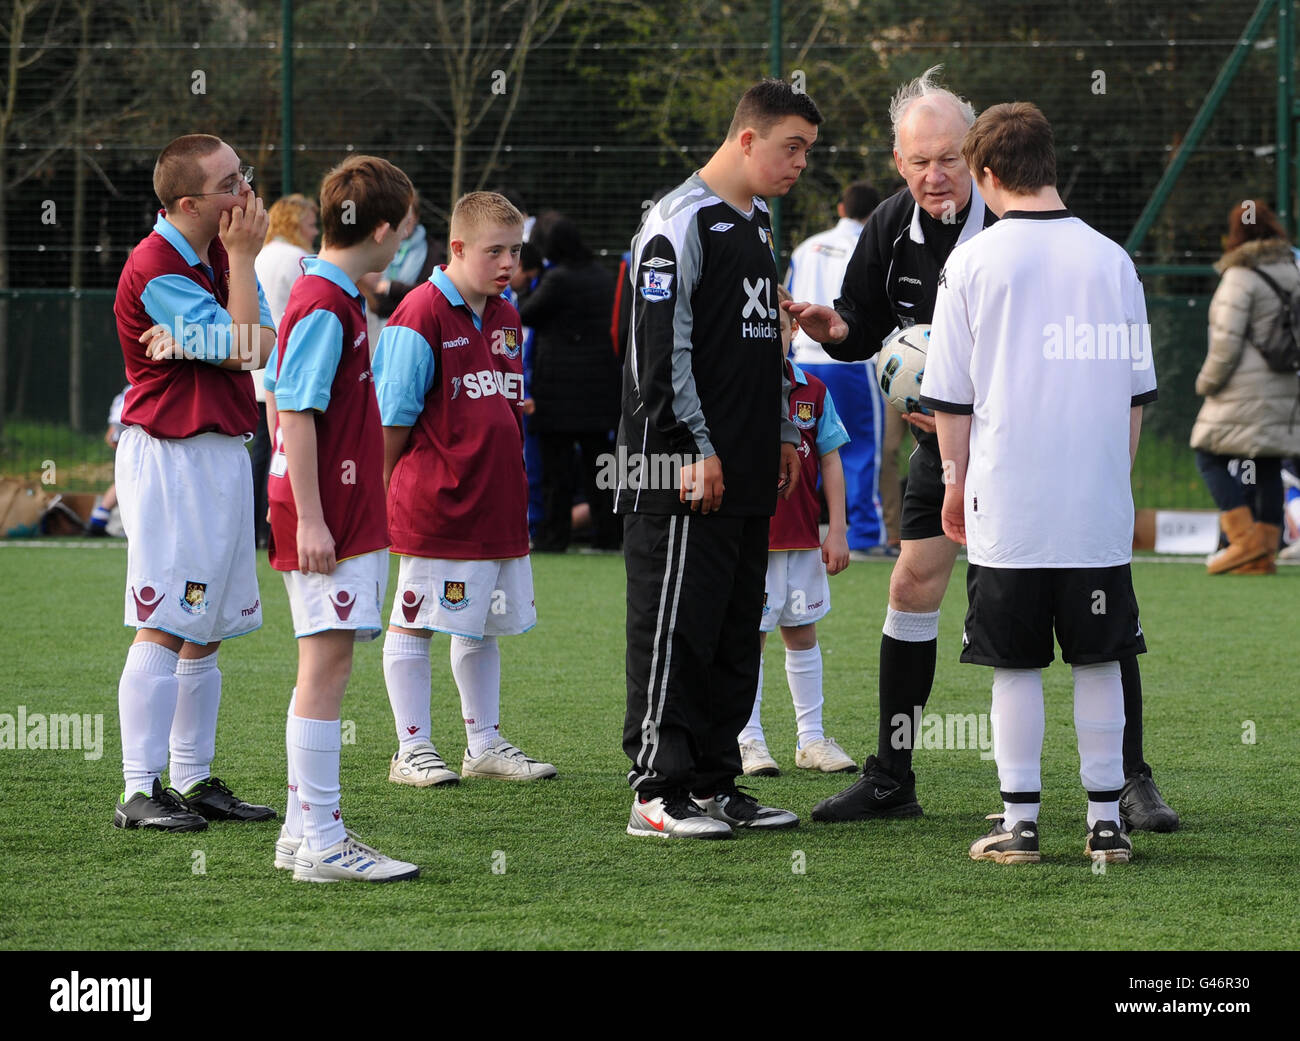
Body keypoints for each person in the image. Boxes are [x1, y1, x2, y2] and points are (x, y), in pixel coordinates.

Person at [786, 66, 1178, 833]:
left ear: (978, 158)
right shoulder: (890, 225)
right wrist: (837, 330)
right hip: (947, 444)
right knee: (911, 586)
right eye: (917, 161)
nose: (934, 176)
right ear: (898, 164)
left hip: (1033, 450)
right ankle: (893, 774)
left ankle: (1130, 781)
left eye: (947, 158)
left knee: (1095, 609)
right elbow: (867, 325)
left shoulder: (1024, 224)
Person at [922, 101, 1155, 863]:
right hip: (1091, 507)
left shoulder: (972, 263)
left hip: (1008, 504)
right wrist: (1109, 486)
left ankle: (1020, 823)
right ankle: (1105, 823)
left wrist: (953, 481)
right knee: (1097, 658)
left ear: (987, 174)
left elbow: (951, 400)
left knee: (1014, 662)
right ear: (1049, 165)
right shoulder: (1113, 261)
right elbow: (1134, 401)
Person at [618, 79, 817, 839]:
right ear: (745, 139)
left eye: (807, 149)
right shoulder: (676, 222)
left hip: (744, 466)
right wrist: (691, 449)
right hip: (678, 470)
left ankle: (712, 781)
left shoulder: (760, 219)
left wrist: (782, 432)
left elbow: (763, 341)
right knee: (675, 625)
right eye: (790, 146)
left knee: (736, 627)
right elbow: (656, 355)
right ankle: (656, 789)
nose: (799, 162)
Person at [111, 133, 276, 831]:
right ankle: (137, 788)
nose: (247, 193)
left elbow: (263, 342)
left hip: (220, 454)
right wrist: (242, 263)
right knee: (164, 620)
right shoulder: (159, 265)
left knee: (205, 626)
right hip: (173, 457)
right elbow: (245, 351)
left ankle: (191, 777)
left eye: (243, 176)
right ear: (188, 202)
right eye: (232, 182)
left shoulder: (212, 255)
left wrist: (213, 332)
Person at [266, 154, 420, 883]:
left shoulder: (328, 292)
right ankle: (325, 839)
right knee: (326, 669)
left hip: (337, 510)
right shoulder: (324, 301)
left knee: (321, 666)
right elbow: (293, 409)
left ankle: (303, 833)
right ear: (382, 228)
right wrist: (311, 520)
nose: (405, 244)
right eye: (407, 229)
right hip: (329, 517)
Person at [374, 191, 557, 787]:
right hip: (438, 503)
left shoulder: (507, 314)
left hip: (497, 501)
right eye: (494, 251)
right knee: (416, 619)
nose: (508, 263)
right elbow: (391, 420)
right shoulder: (419, 314)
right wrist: (376, 497)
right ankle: (413, 748)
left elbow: (493, 395)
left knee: (479, 622)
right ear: (456, 248)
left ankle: (483, 743)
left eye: (515, 251)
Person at [739, 286, 856, 776]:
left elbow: (830, 460)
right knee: (752, 638)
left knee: (802, 633)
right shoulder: (735, 389)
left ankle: (810, 739)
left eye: (781, 329)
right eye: (762, 330)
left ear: (793, 332)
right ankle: (747, 740)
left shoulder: (815, 390)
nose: (774, 338)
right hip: (751, 540)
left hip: (804, 538)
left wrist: (838, 531)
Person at [1190, 199, 1300, 575]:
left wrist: (1207, 383)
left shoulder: (1240, 277)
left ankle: (1243, 540)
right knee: (1266, 461)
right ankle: (1264, 552)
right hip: (1287, 386)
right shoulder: (1292, 270)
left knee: (1206, 453)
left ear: (1235, 233)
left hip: (1244, 387)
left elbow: (1225, 342)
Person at [785, 180, 891, 552]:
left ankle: (804, 526)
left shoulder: (804, 247)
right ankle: (863, 532)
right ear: (875, 213)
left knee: (806, 447)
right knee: (861, 449)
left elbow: (788, 300)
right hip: (853, 361)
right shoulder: (872, 243)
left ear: (842, 209)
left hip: (803, 362)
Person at [517, 216, 621, 552]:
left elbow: (527, 314)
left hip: (558, 393)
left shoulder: (556, 279)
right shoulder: (602, 277)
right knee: (601, 469)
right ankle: (608, 535)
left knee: (556, 472)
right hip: (600, 391)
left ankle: (553, 536)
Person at [252, 193, 319, 549]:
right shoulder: (298, 259)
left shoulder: (261, 254)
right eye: (310, 220)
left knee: (263, 448)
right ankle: (274, 522)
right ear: (295, 221)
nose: (315, 227)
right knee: (279, 445)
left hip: (260, 364)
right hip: (287, 364)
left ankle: (257, 526)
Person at [85, 386, 129, 536]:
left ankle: (99, 518)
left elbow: (113, 428)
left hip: (127, 437)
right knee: (129, 479)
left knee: (127, 479)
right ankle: (99, 519)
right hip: (135, 437)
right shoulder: (140, 384)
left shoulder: (131, 386)